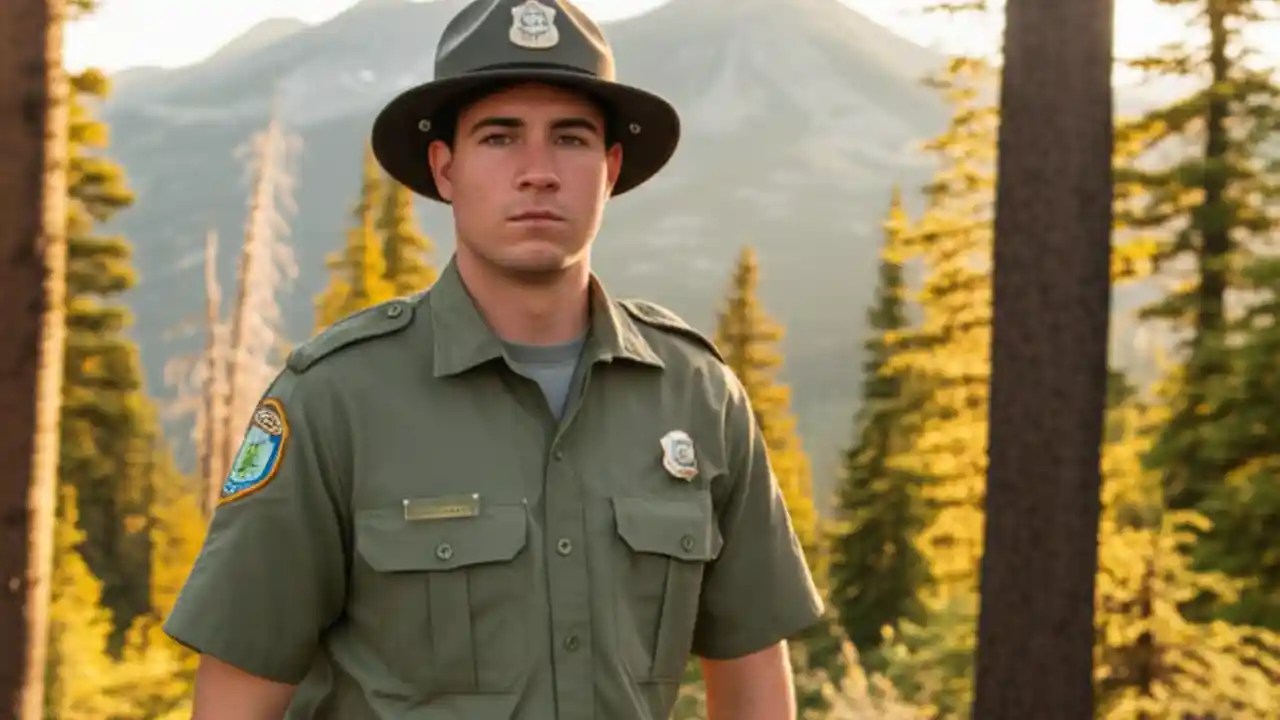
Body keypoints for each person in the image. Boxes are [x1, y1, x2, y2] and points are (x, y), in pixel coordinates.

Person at [163, 1, 824, 718]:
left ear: (610, 169)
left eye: (570, 138)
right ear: (445, 168)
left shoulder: (697, 396)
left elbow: (754, 679)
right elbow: (238, 695)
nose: (538, 171)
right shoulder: (336, 400)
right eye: (500, 137)